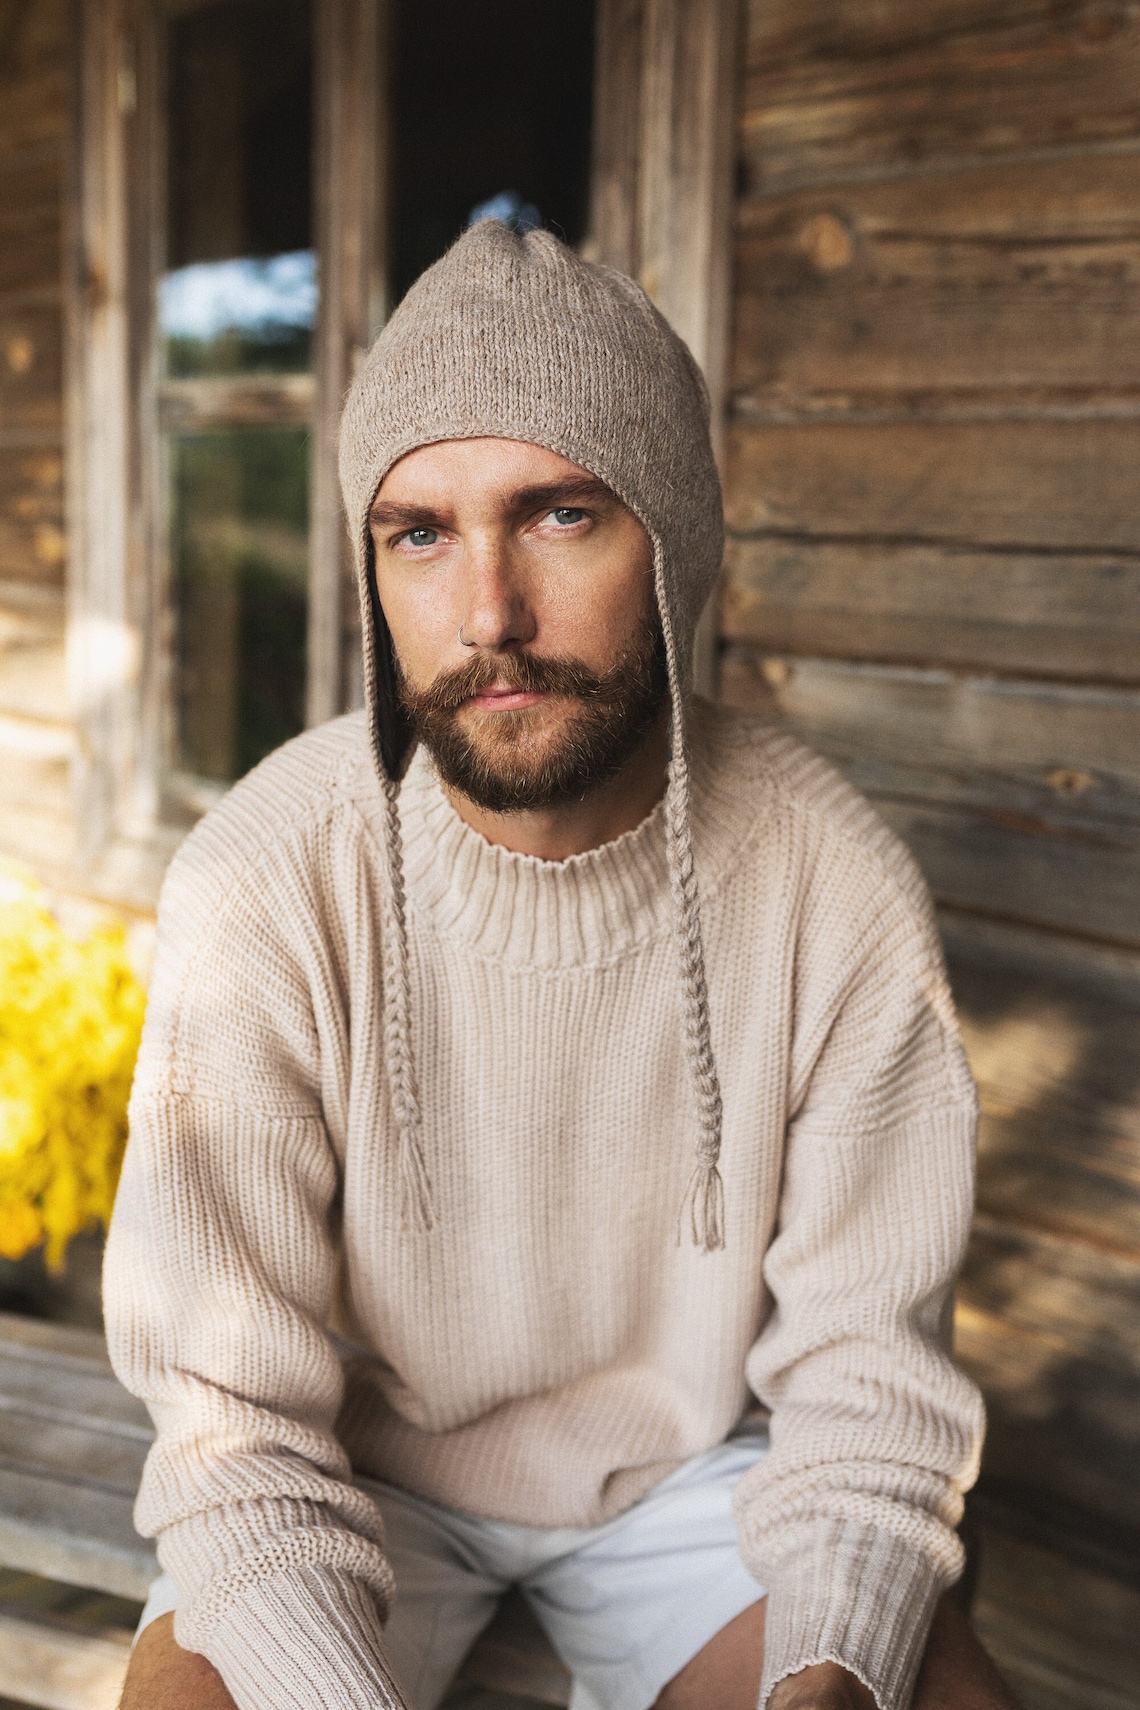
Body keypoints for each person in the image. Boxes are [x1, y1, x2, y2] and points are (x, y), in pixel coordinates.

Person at [106, 222, 1017, 1710]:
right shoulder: (267, 877)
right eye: (420, 534)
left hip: (697, 1480)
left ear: (676, 544)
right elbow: (229, 1420)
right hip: (355, 1482)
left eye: (560, 515)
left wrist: (830, 1673)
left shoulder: (832, 881)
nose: (488, 615)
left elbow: (868, 1391)